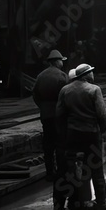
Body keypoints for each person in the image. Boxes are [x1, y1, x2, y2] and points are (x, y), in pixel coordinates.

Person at [56, 63, 106, 210]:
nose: (93, 74)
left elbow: (59, 115)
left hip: (73, 134)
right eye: (91, 72)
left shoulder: (65, 90)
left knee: (73, 169)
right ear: (86, 75)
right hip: (92, 134)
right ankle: (101, 203)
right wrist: (101, 131)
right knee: (97, 170)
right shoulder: (94, 90)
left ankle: (75, 201)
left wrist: (64, 134)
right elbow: (102, 115)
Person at [34, 50, 69, 184]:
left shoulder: (40, 76)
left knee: (48, 144)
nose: (62, 63)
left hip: (45, 114)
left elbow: (35, 95)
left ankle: (49, 172)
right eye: (61, 60)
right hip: (59, 115)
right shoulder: (62, 76)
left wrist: (43, 107)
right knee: (60, 143)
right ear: (56, 61)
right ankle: (60, 172)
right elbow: (66, 96)